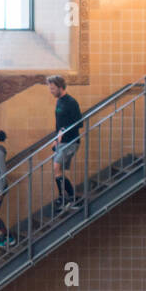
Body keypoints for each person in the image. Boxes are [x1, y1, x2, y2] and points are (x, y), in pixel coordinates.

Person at [47, 74, 83, 210]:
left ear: (61, 87)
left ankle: (65, 197)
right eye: (50, 89)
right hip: (62, 142)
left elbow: (79, 123)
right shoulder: (59, 101)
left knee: (56, 167)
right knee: (59, 170)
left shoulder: (71, 102)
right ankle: (70, 197)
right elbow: (59, 124)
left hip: (71, 141)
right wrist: (56, 139)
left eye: (53, 89)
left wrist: (63, 132)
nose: (51, 91)